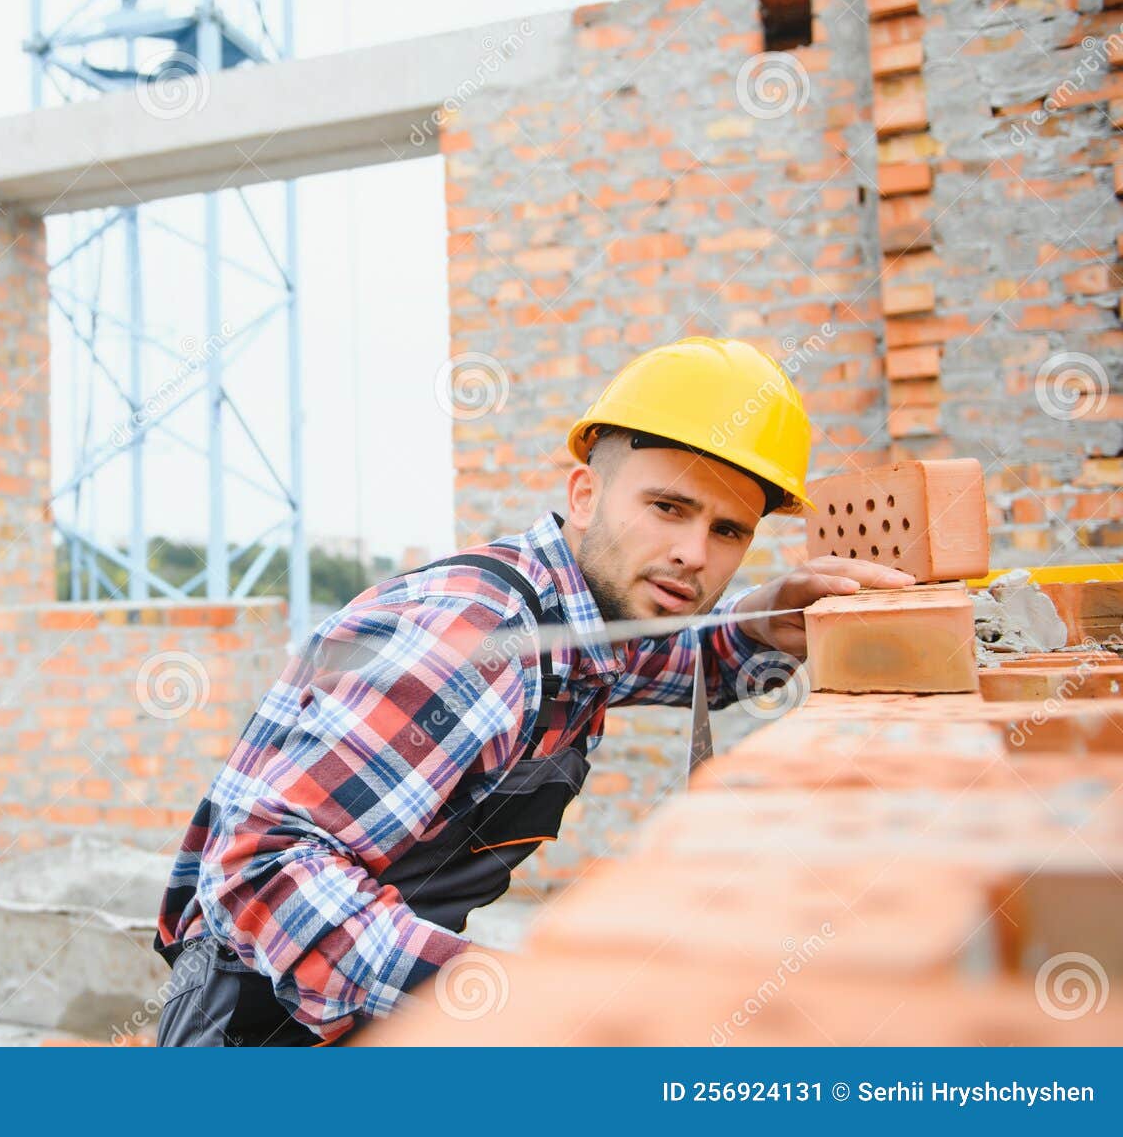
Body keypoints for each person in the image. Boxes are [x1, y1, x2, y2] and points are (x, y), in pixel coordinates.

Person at [151, 337, 916, 1046]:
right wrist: (516, 1003)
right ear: (584, 495)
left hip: (359, 1016)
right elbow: (265, 866)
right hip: (253, 1026)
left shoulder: (586, 623)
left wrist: (765, 618)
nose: (693, 554)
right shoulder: (480, 643)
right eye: (669, 508)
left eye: (729, 531)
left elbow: (690, 663)